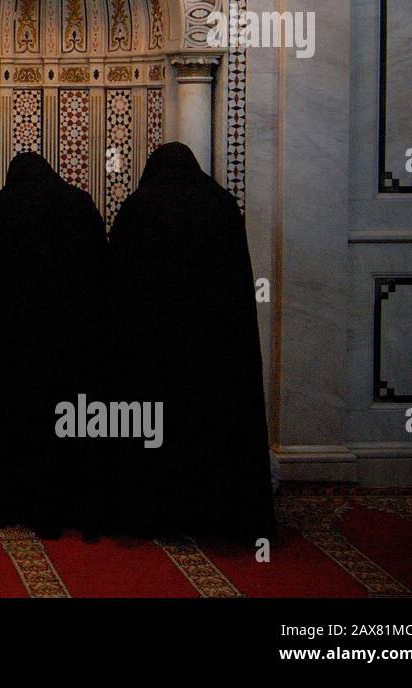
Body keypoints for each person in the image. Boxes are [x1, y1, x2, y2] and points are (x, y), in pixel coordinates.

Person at [105, 142, 276, 544]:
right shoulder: (221, 206)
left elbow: (116, 294)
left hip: (151, 358)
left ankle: (156, 514)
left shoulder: (137, 210)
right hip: (213, 358)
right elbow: (235, 291)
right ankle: (213, 514)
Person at [0, 150, 107, 537]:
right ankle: (68, 506)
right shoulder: (79, 205)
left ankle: (11, 502)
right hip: (70, 350)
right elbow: (100, 279)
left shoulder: (3, 207)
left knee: (20, 422)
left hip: (14, 351)